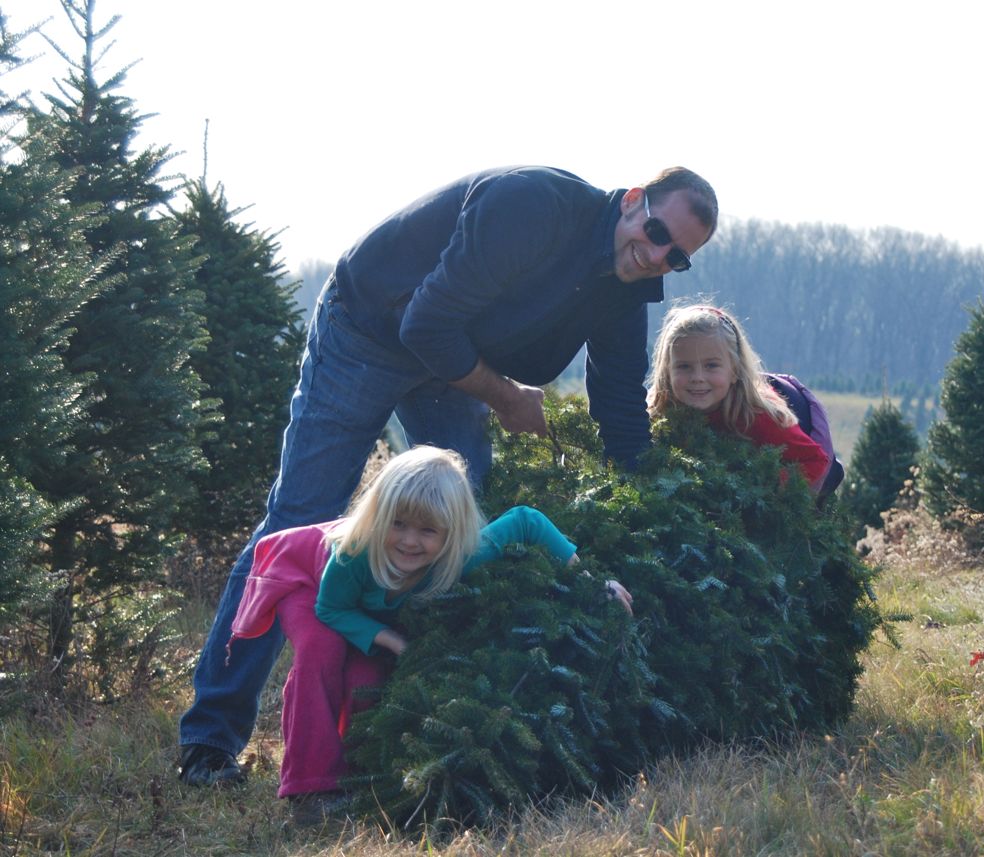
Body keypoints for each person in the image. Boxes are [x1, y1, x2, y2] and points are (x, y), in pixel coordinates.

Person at [178, 166, 717, 786]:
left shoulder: (625, 283)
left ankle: (397, 733)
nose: (655, 255)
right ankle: (210, 740)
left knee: (457, 533)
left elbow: (620, 401)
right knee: (300, 514)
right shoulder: (532, 207)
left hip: (458, 362)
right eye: (654, 232)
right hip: (371, 330)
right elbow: (424, 324)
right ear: (630, 202)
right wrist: (508, 400)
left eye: (676, 257)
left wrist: (645, 501)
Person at [225, 446, 631, 817]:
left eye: (427, 530)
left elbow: (527, 521)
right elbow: (331, 609)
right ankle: (308, 788)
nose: (409, 541)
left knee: (366, 676)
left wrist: (594, 583)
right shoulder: (353, 553)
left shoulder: (465, 554)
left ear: (451, 533)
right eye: (398, 524)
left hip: (355, 606)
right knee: (321, 651)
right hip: (310, 583)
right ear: (379, 517)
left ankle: (354, 774)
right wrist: (392, 640)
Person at [647, 304, 830, 491]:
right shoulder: (659, 416)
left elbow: (815, 460)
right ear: (667, 372)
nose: (697, 377)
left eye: (711, 365)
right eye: (684, 366)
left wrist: (759, 485)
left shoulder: (758, 416)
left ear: (734, 370)